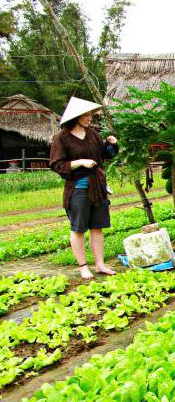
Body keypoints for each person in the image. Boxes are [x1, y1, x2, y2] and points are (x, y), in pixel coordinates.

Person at [49, 97, 118, 279]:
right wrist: (80, 162)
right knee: (78, 229)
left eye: (89, 114)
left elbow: (104, 155)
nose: (89, 117)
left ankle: (100, 264)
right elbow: (57, 164)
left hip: (98, 187)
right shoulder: (61, 138)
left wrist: (111, 145)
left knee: (97, 227)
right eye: (86, 115)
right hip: (78, 189)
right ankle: (83, 266)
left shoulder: (93, 134)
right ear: (76, 116)